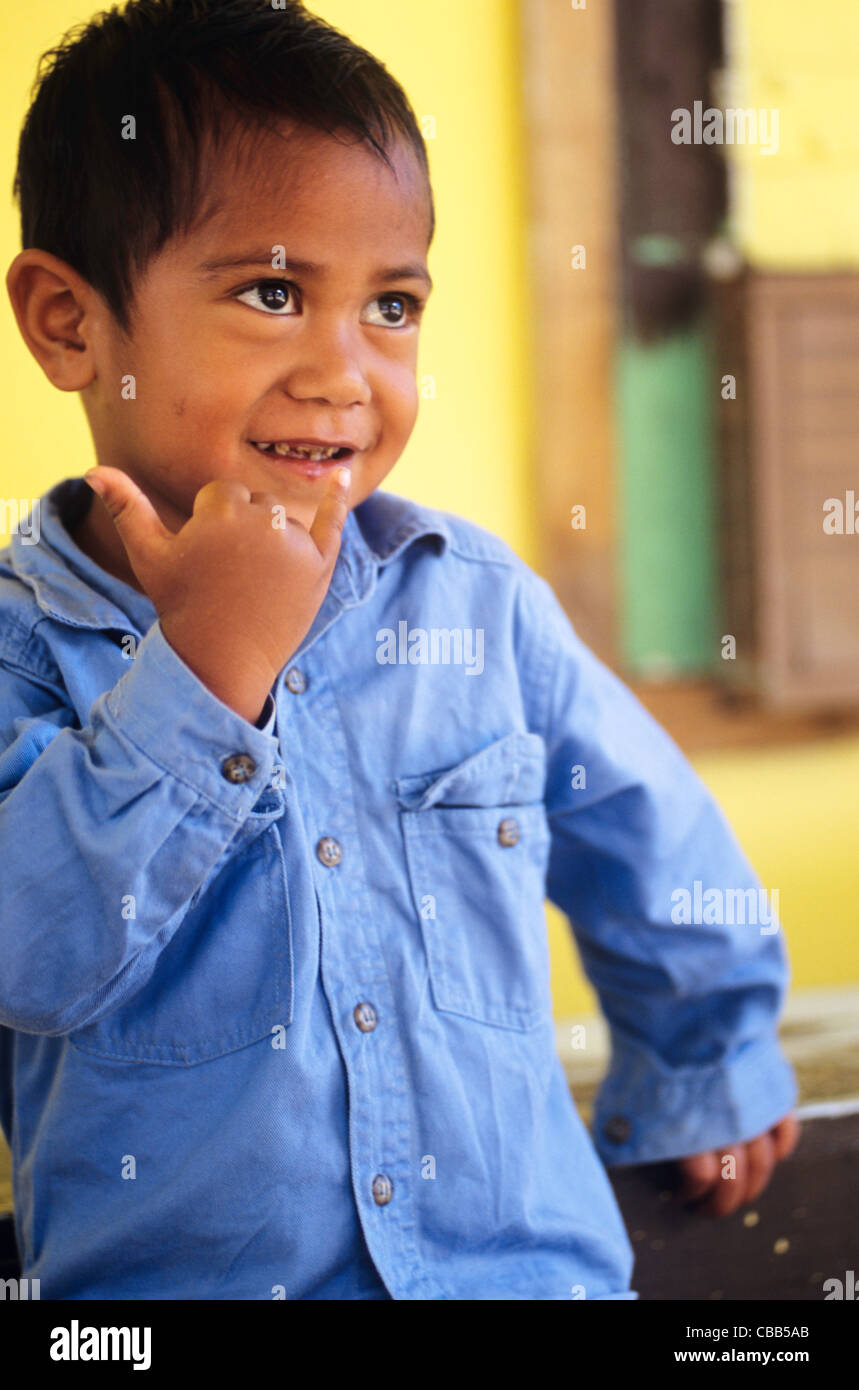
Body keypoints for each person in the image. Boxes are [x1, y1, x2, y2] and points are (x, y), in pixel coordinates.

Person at [0, 0, 798, 1300]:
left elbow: (653, 836)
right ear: (69, 322)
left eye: (392, 304)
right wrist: (201, 674)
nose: (347, 369)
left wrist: (708, 1051)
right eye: (271, 291)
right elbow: (26, 951)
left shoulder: (474, 606)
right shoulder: (26, 651)